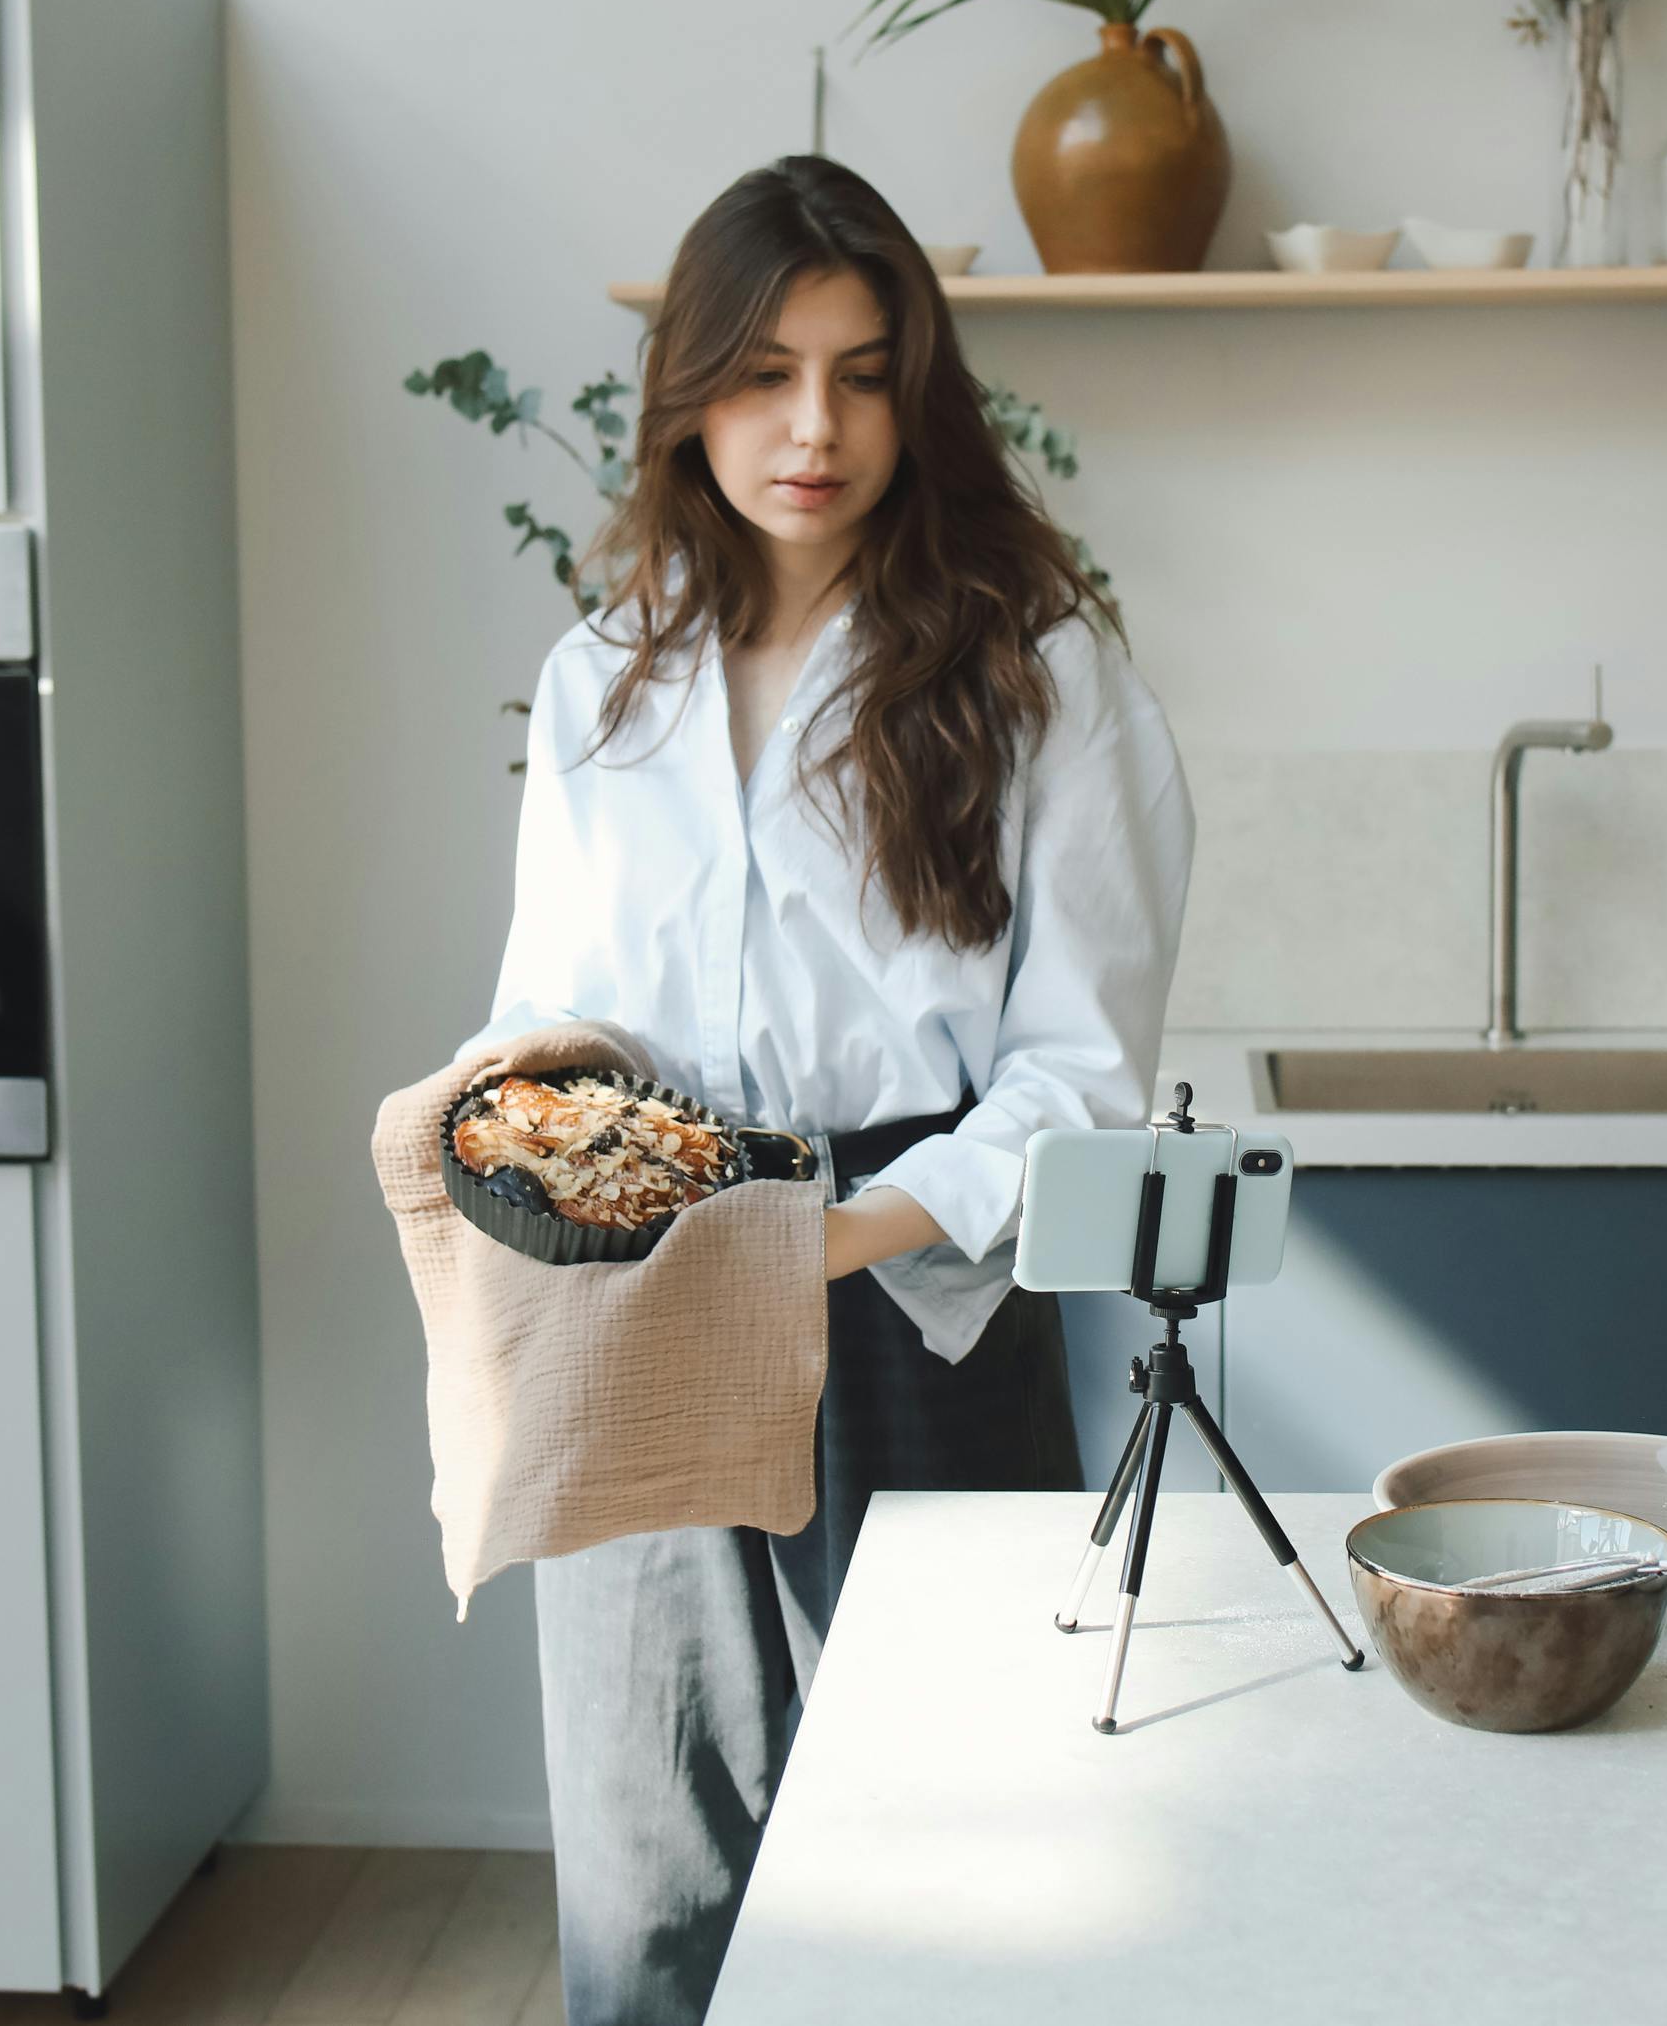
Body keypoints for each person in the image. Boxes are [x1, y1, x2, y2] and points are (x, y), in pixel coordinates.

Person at [460, 155, 1193, 2026]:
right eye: (767, 371)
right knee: (651, 1881)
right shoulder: (599, 683)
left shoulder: (1037, 670)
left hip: (915, 1291)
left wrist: (836, 1240)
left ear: (917, 395)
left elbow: (1084, 1070)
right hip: (636, 1271)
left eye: (865, 374)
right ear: (690, 389)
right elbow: (545, 1005)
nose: (814, 427)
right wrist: (519, 1141)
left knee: (949, 1875)